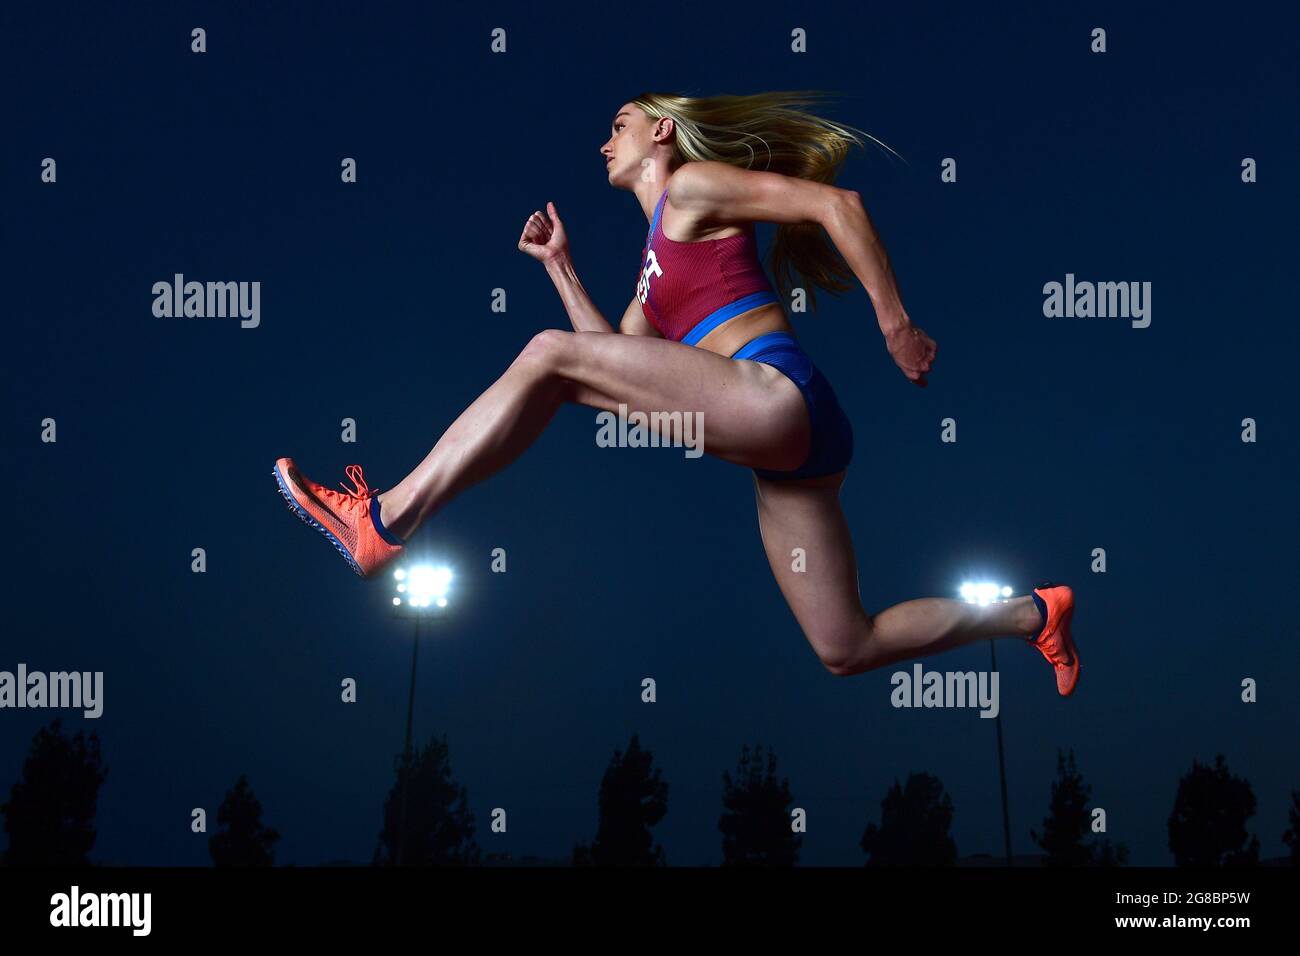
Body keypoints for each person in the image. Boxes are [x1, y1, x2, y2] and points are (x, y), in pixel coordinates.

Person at [272, 91, 1079, 695]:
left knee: (547, 359)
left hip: (777, 395)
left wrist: (895, 323)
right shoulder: (649, 285)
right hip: (792, 458)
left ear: (660, 130)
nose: (603, 143)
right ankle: (1032, 615)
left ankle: (384, 518)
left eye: (616, 125)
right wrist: (560, 266)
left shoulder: (691, 190)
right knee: (846, 646)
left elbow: (839, 204)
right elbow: (611, 359)